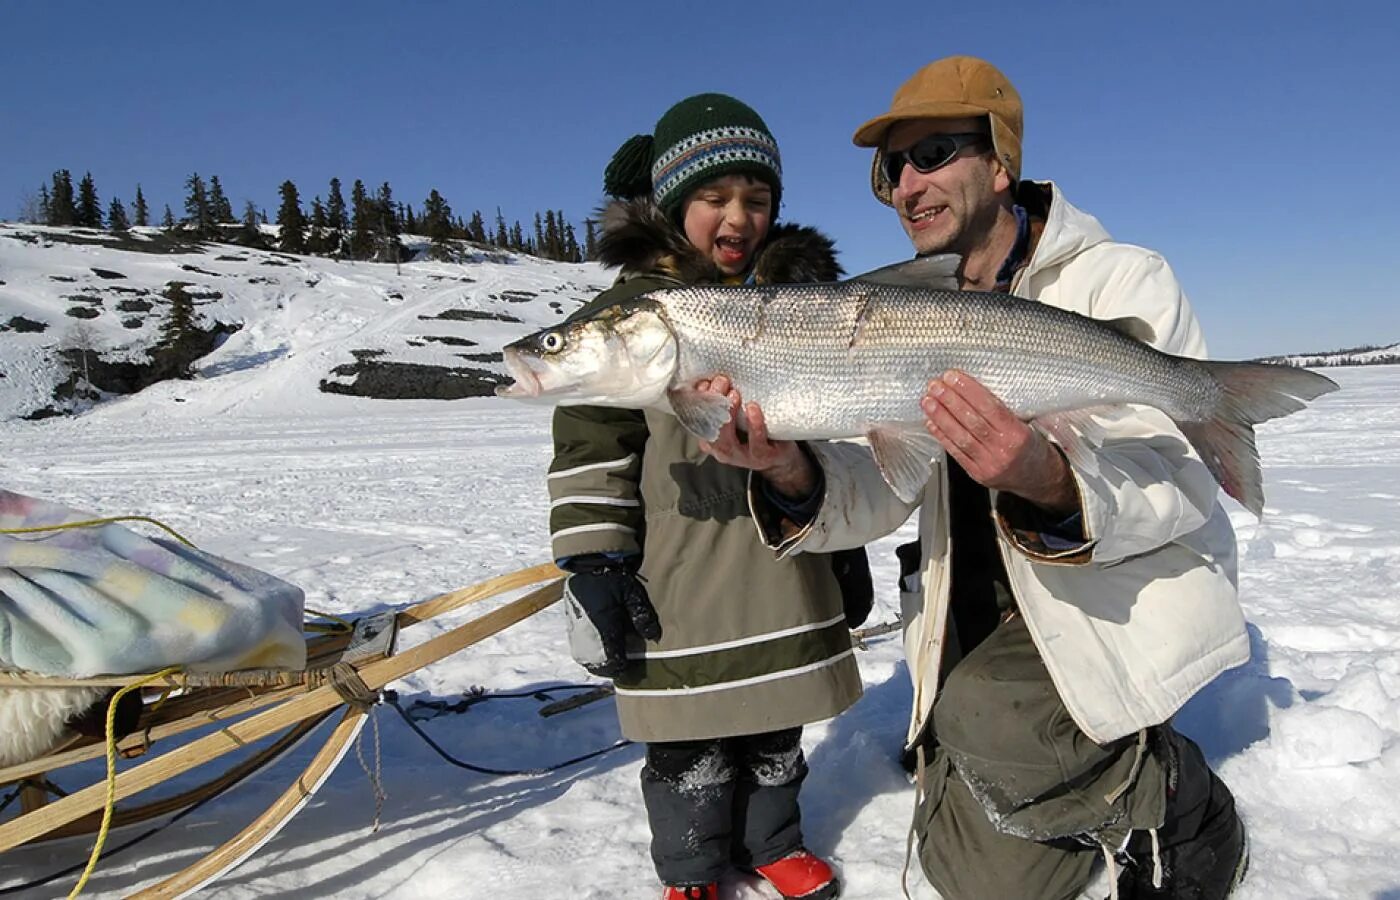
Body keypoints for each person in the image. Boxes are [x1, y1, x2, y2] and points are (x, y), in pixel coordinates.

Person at [698, 57, 1250, 900]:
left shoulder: (1118, 280)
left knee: (987, 718)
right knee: (965, 867)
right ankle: (1036, 765)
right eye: (892, 169)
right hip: (977, 615)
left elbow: (1177, 486)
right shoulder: (906, 309)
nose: (907, 185)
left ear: (1001, 164)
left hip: (1107, 606)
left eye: (934, 154)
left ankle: (1177, 796)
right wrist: (785, 464)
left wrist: (1050, 479)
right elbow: (882, 492)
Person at [547, 93, 865, 900]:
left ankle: (773, 841)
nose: (737, 218)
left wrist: (847, 542)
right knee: (688, 740)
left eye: (756, 201)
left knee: (775, 727)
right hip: (678, 566)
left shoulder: (809, 304)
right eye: (715, 199)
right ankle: (689, 866)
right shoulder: (627, 317)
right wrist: (596, 561)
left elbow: (835, 433)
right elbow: (592, 444)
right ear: (673, 205)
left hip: (783, 558)